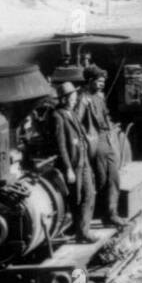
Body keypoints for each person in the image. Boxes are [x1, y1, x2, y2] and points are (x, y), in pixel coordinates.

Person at [74, 65, 126, 229]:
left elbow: (105, 115)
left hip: (107, 138)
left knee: (114, 177)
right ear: (89, 81)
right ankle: (107, 215)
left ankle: (111, 213)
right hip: (96, 141)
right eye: (99, 81)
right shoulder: (82, 98)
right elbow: (76, 121)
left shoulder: (99, 96)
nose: (102, 84)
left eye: (103, 81)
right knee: (104, 179)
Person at [50, 81, 96, 243]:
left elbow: (80, 131)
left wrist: (86, 137)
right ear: (64, 99)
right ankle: (79, 231)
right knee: (77, 198)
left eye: (75, 97)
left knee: (89, 194)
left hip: (83, 161)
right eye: (72, 97)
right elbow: (61, 145)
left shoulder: (72, 113)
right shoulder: (58, 116)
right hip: (73, 164)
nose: (74, 100)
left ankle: (82, 231)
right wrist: (68, 168)